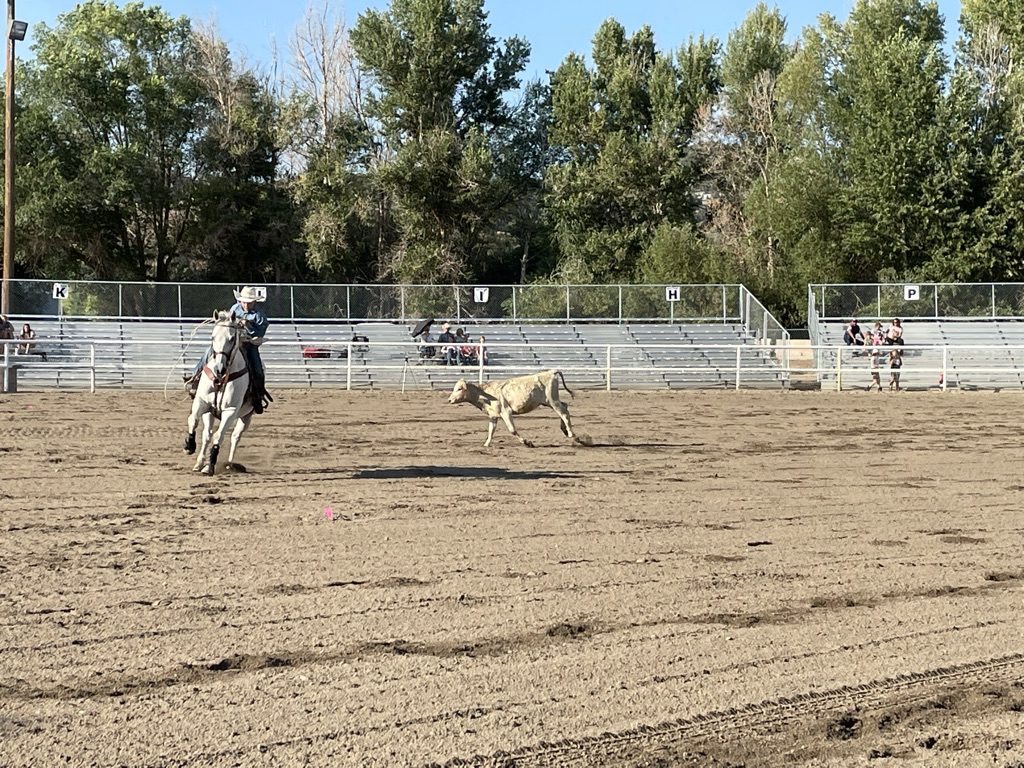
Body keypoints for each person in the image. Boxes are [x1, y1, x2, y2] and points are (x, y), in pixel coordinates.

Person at [185, 286, 271, 414]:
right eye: (244, 302)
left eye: (249, 302)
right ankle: (195, 377)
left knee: (257, 368)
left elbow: (259, 332)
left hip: (248, 345)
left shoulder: (259, 316)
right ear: (240, 301)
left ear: (254, 302)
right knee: (208, 353)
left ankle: (257, 395)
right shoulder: (234, 309)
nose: (246, 305)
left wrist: (248, 326)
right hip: (230, 343)